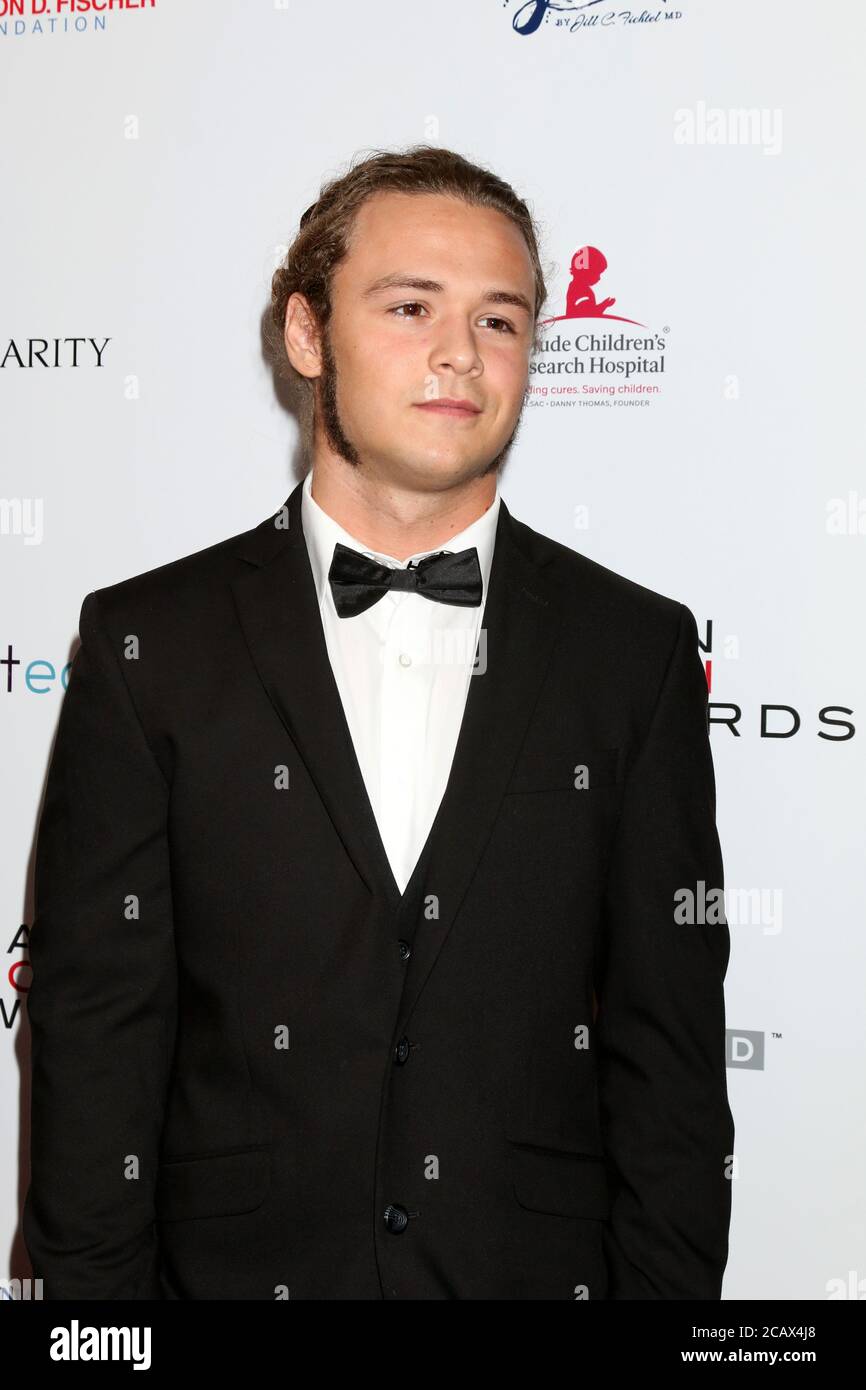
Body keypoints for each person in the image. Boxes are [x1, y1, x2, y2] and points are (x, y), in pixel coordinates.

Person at [23, 144, 734, 1300]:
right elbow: (95, 1029)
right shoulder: (149, 641)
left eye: (500, 321)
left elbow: (669, 1055)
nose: (459, 351)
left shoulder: (632, 652)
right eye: (410, 307)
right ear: (307, 335)